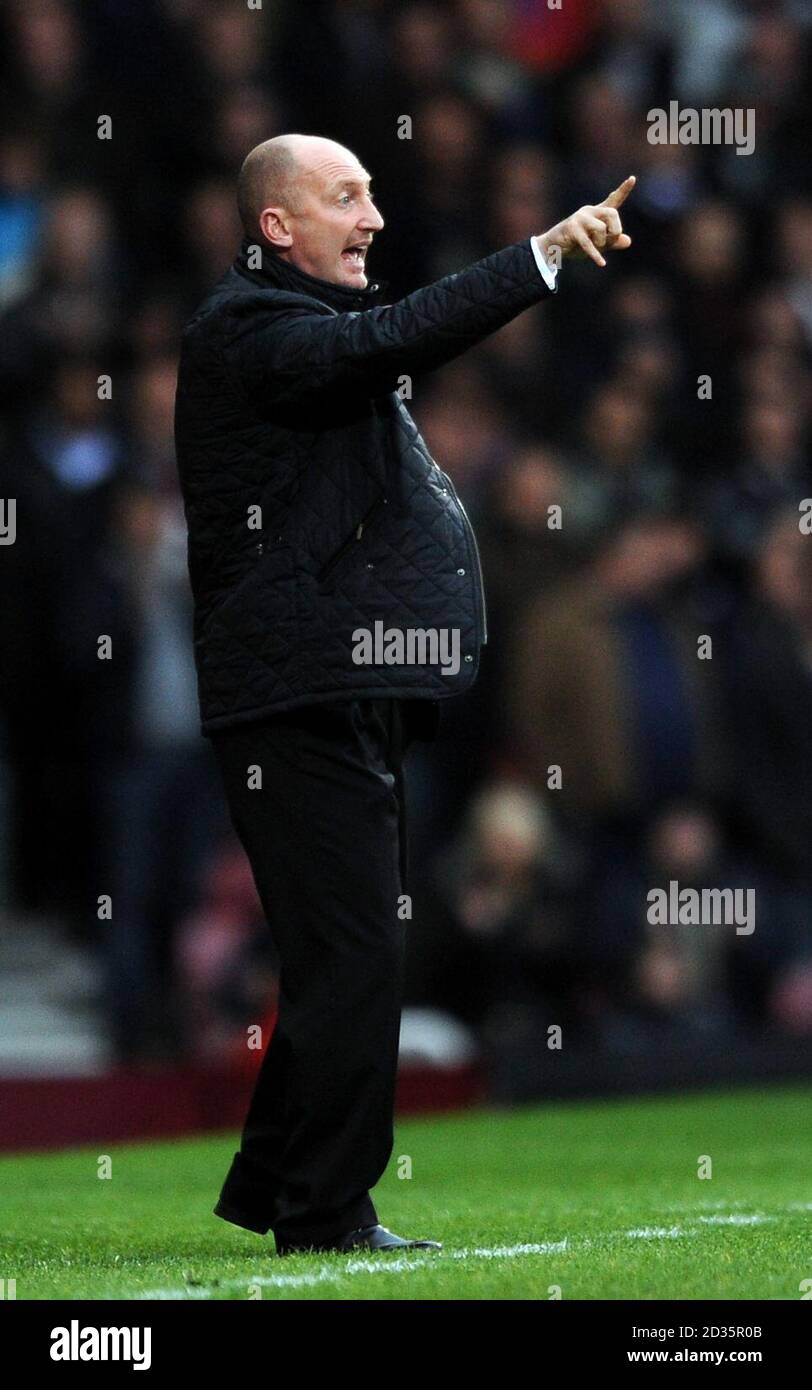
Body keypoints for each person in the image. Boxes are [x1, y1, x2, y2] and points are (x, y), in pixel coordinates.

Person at [173, 132, 634, 1256]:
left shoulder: (297, 333)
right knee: (354, 955)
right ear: (275, 227)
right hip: (292, 698)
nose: (372, 216)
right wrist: (540, 256)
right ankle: (326, 1214)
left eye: (374, 194)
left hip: (332, 688)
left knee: (343, 950)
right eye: (345, 198)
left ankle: (279, 1180)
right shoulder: (253, 332)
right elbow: (395, 337)